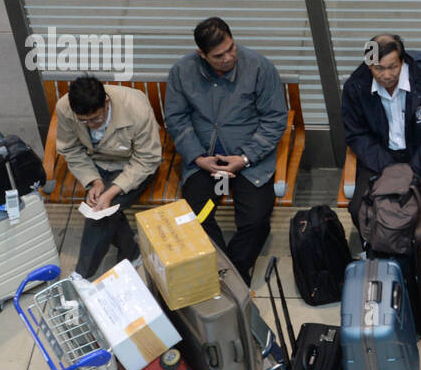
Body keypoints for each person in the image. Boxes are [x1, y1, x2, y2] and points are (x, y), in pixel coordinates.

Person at [164, 17, 288, 284]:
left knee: (254, 221)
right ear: (202, 55)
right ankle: (227, 273)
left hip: (248, 163)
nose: (228, 57)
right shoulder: (182, 72)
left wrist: (244, 158)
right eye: (218, 55)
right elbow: (176, 119)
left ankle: (228, 274)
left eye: (231, 49)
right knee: (200, 215)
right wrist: (198, 157)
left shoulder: (259, 68)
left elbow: (275, 119)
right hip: (206, 164)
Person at [341, 34, 421, 235]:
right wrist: (389, 168)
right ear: (369, 66)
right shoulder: (356, 87)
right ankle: (379, 252)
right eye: (379, 69)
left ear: (403, 61)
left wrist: (412, 169)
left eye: (393, 67)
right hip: (381, 157)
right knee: (360, 210)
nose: (387, 75)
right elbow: (357, 135)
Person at [56, 75, 162, 279]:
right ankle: (131, 252)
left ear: (106, 102)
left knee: (101, 211)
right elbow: (71, 150)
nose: (91, 125)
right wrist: (93, 180)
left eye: (96, 118)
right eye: (84, 121)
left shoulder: (135, 107)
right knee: (104, 210)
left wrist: (111, 191)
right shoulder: (65, 108)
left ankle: (81, 276)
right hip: (96, 165)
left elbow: (147, 159)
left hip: (133, 166)